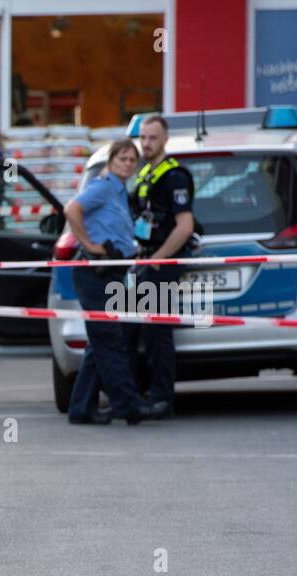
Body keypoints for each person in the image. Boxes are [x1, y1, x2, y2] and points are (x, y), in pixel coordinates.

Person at [63, 138, 169, 425]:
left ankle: (81, 407)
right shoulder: (102, 187)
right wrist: (90, 244)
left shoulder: (120, 190)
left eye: (132, 160)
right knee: (111, 341)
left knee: (99, 344)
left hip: (114, 273)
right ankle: (129, 406)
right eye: (122, 158)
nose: (127, 164)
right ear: (111, 161)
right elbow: (72, 210)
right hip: (95, 271)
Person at [127, 114, 199, 417]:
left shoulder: (174, 176)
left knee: (157, 332)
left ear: (165, 139)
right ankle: (136, 394)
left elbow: (184, 226)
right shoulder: (145, 174)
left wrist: (157, 260)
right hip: (143, 262)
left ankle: (161, 398)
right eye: (143, 138)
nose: (146, 144)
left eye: (152, 138)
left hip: (160, 264)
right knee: (134, 329)